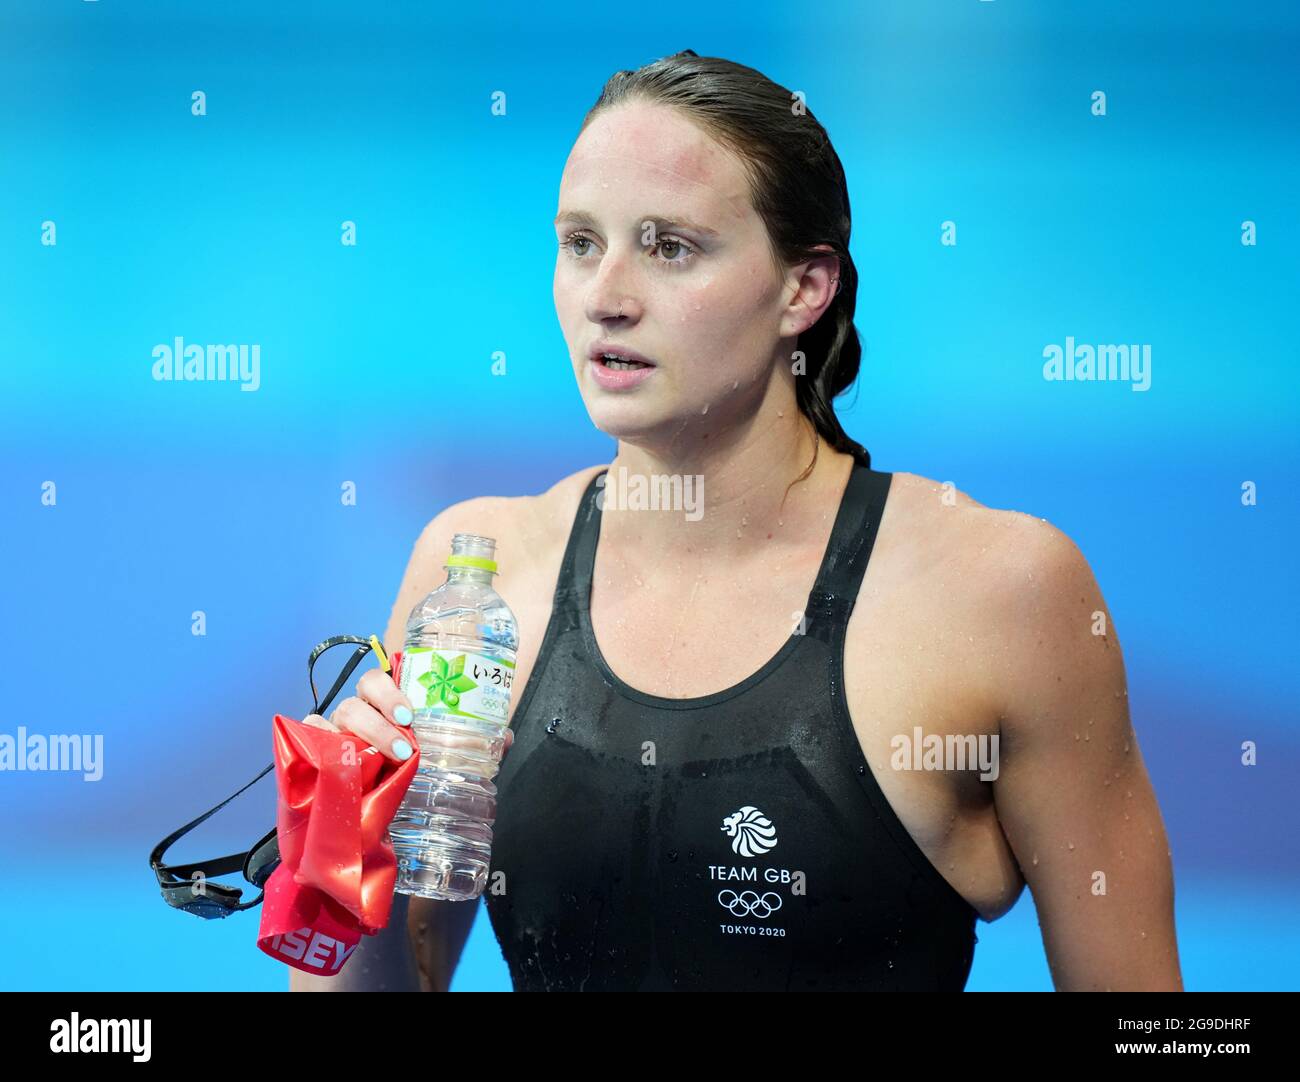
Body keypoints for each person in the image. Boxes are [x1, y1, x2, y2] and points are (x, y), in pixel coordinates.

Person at [291, 51, 1181, 992]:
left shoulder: (1000, 591)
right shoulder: (477, 575)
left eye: (670, 247)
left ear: (804, 288)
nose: (608, 296)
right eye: (581, 243)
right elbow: (390, 973)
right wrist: (353, 858)